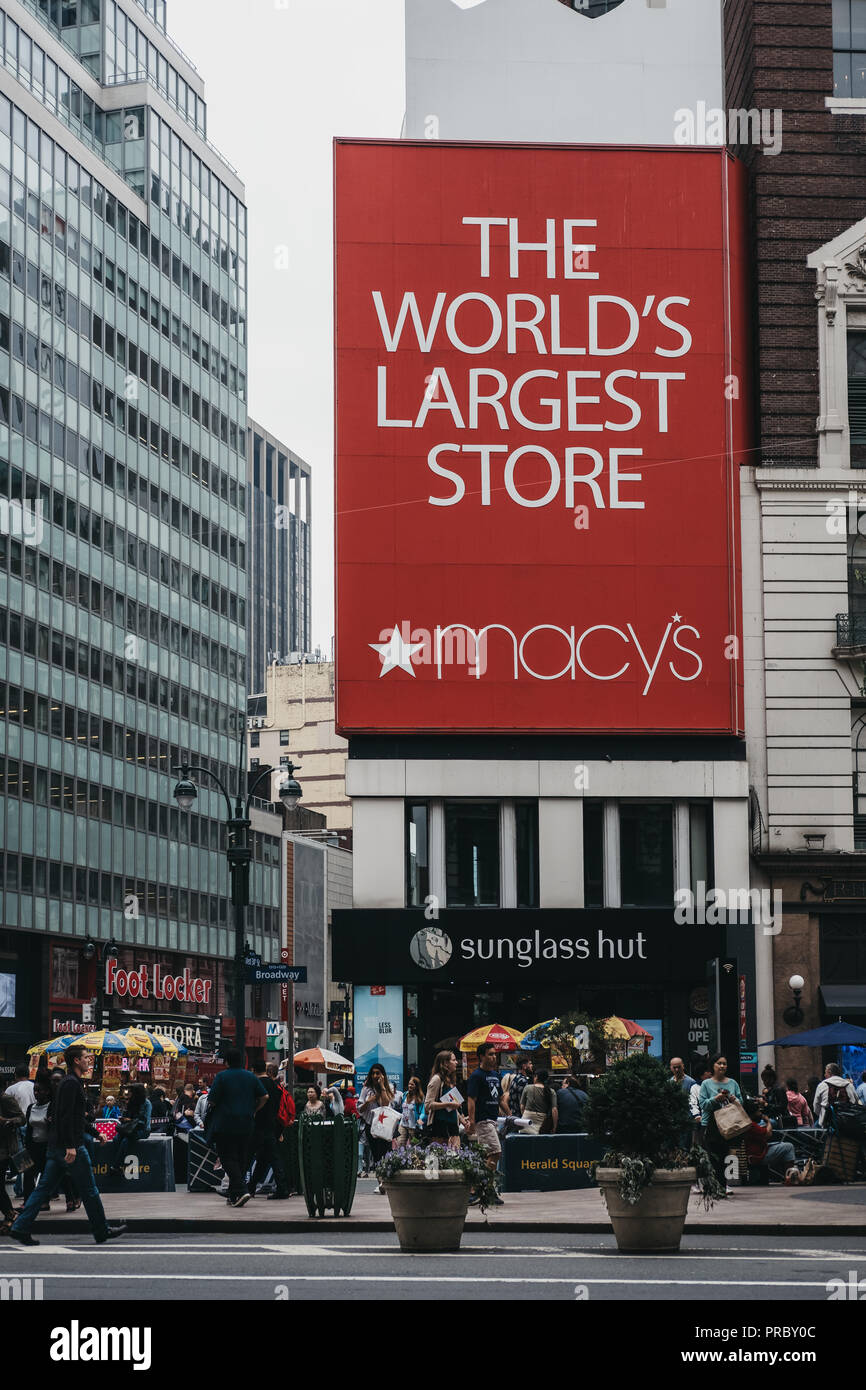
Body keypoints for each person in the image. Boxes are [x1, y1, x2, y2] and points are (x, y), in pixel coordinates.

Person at [10, 1047, 126, 1247]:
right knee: (89, 1189)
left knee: (43, 1188)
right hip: (70, 1147)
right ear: (75, 1061)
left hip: (57, 1146)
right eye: (84, 1058)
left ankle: (21, 1226)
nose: (88, 1060)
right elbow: (65, 1117)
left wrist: (95, 1132)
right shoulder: (71, 1083)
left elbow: (74, 1117)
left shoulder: (69, 1082)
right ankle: (101, 1230)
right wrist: (71, 1145)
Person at [203, 1050, 267, 1208]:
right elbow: (265, 1096)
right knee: (241, 1158)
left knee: (227, 1158)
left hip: (225, 1124)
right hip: (246, 1124)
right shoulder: (251, 1077)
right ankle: (234, 1195)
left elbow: (211, 1101)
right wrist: (254, 1110)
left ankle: (241, 1188)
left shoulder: (222, 1076)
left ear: (227, 1062)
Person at [466, 1042, 508, 1206]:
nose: (494, 1057)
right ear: (481, 1056)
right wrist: (472, 1121)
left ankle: (480, 1189)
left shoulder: (496, 1076)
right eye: (490, 1054)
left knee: (488, 1155)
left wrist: (510, 1115)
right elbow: (471, 1100)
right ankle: (481, 1189)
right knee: (496, 1152)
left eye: (494, 1054)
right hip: (483, 1121)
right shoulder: (476, 1076)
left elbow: (499, 1099)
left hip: (494, 1120)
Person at [698, 1053, 744, 1196]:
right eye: (719, 1063)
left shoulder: (732, 1083)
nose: (722, 1066)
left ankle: (722, 1187)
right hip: (710, 1124)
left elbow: (741, 1103)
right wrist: (715, 1099)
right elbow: (703, 1105)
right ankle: (712, 1187)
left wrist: (734, 1099)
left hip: (728, 1123)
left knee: (725, 1155)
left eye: (724, 1063)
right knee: (712, 1157)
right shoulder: (706, 1084)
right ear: (713, 1066)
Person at [247, 1061, 289, 1200]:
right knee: (267, 1159)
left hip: (258, 1126)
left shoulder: (258, 1084)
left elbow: (258, 1100)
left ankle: (238, 1188)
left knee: (247, 1157)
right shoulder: (276, 1086)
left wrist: (254, 1111)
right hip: (271, 1126)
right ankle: (252, 1187)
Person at [358, 1064, 398, 1189]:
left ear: (382, 1075)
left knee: (386, 1153)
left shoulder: (389, 1087)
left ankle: (385, 1180)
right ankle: (380, 1182)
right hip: (372, 1126)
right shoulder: (366, 1089)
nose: (375, 1076)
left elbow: (386, 1103)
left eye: (378, 1073)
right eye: (373, 1073)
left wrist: (382, 1087)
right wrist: (368, 1101)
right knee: (376, 1155)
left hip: (385, 1125)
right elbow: (360, 1109)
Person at [742, 1099, 798, 1182]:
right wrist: (768, 1121)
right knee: (789, 1147)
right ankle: (790, 1178)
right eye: (758, 1111)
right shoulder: (751, 1125)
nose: (760, 1113)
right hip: (758, 1156)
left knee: (781, 1144)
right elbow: (768, 1134)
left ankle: (784, 1176)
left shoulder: (745, 1122)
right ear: (752, 1113)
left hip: (758, 1150)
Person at [20, 1077, 53, 1210]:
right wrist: (26, 1146)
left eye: (39, 1090)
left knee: (45, 1176)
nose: (36, 1093)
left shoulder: (51, 1106)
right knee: (28, 1174)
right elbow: (29, 1128)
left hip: (47, 1146)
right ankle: (28, 1201)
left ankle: (45, 1202)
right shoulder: (30, 1108)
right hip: (32, 1146)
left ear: (47, 1092)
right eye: (35, 1090)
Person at [423, 1050, 463, 1151]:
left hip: (453, 1125)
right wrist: (448, 1104)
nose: (457, 1062)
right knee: (440, 1157)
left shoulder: (450, 1081)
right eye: (453, 1060)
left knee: (455, 1156)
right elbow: (428, 1104)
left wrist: (463, 1120)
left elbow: (454, 1107)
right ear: (445, 1063)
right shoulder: (437, 1079)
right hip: (440, 1125)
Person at [0, 1079, 25, 1235]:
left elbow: (21, 1118)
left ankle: (10, 1213)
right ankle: (9, 1213)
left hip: (4, 1150)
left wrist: (5, 1121)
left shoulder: (5, 1099)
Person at [111, 1083, 152, 1175]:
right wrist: (125, 1118)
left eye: (131, 1092)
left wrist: (130, 1120)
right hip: (129, 1128)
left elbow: (144, 1122)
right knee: (116, 1139)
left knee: (125, 1141)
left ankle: (116, 1166)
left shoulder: (146, 1104)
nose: (129, 1093)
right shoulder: (131, 1102)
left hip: (142, 1130)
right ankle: (118, 1164)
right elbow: (126, 1115)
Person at [520, 1069, 558, 1135]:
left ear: (536, 1077)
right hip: (542, 1124)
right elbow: (554, 1110)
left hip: (526, 1121)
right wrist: (554, 1127)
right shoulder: (551, 1091)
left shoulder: (528, 1088)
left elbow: (522, 1106)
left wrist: (526, 1116)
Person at [396, 1075, 424, 1147]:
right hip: (403, 1124)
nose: (409, 1086)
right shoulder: (405, 1094)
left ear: (416, 1086)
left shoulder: (420, 1097)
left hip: (414, 1126)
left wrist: (421, 1119)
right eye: (409, 1084)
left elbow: (423, 1111)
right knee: (400, 1145)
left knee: (414, 1147)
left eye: (412, 1084)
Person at [502, 1056, 533, 1121]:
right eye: (529, 1064)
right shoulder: (522, 1081)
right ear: (524, 1066)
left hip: (514, 1115)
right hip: (519, 1117)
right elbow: (522, 1103)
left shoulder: (516, 1078)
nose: (531, 1065)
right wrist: (525, 1119)